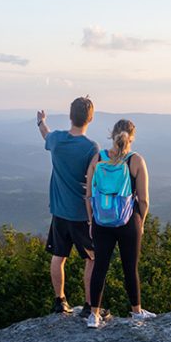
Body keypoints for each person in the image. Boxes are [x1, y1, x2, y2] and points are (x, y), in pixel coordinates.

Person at [84, 119, 156, 328]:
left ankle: (94, 316)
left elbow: (88, 194)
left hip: (101, 221)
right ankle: (136, 312)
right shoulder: (136, 161)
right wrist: (141, 221)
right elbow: (143, 199)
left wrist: (91, 220)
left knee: (100, 267)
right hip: (128, 221)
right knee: (130, 268)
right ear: (131, 138)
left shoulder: (97, 158)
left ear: (112, 134)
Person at [37, 96, 99, 315]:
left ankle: (60, 301)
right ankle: (90, 305)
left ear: (70, 116)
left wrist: (41, 121)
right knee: (91, 258)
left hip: (59, 212)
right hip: (82, 213)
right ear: (89, 119)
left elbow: (45, 133)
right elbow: (94, 179)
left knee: (59, 257)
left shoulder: (57, 140)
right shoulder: (91, 147)